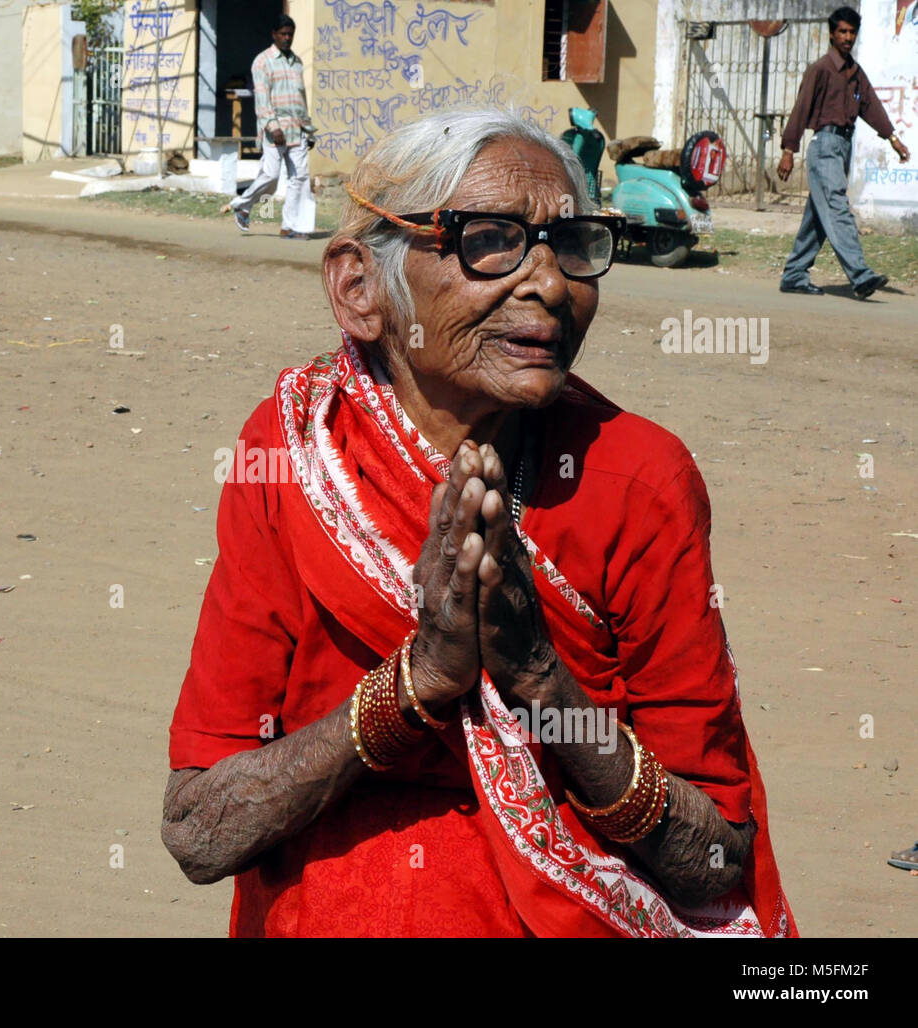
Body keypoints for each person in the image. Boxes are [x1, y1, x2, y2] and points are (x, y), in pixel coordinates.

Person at [163, 107, 797, 938]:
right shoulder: (296, 452)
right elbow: (200, 830)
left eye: (573, 244)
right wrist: (417, 685)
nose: (547, 284)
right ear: (360, 289)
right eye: (489, 239)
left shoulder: (639, 479)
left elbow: (716, 858)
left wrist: (539, 679)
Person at [777, 5, 909, 299]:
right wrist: (789, 149)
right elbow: (801, 109)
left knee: (818, 216)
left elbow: (871, 106)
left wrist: (893, 139)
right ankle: (860, 275)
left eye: (852, 32)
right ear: (832, 34)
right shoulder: (820, 69)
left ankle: (794, 274)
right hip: (824, 146)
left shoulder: (854, 72)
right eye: (842, 31)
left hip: (843, 147)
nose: (848, 37)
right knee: (836, 207)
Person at [227, 15, 316, 239]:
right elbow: (262, 99)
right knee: (271, 176)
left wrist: (308, 128)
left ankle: (292, 227)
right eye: (283, 34)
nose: (287, 38)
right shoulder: (262, 61)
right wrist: (272, 126)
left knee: (301, 179)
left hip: (297, 130)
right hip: (274, 131)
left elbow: (300, 98)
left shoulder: (297, 61)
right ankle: (242, 204)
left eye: (290, 34)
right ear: (274, 35)